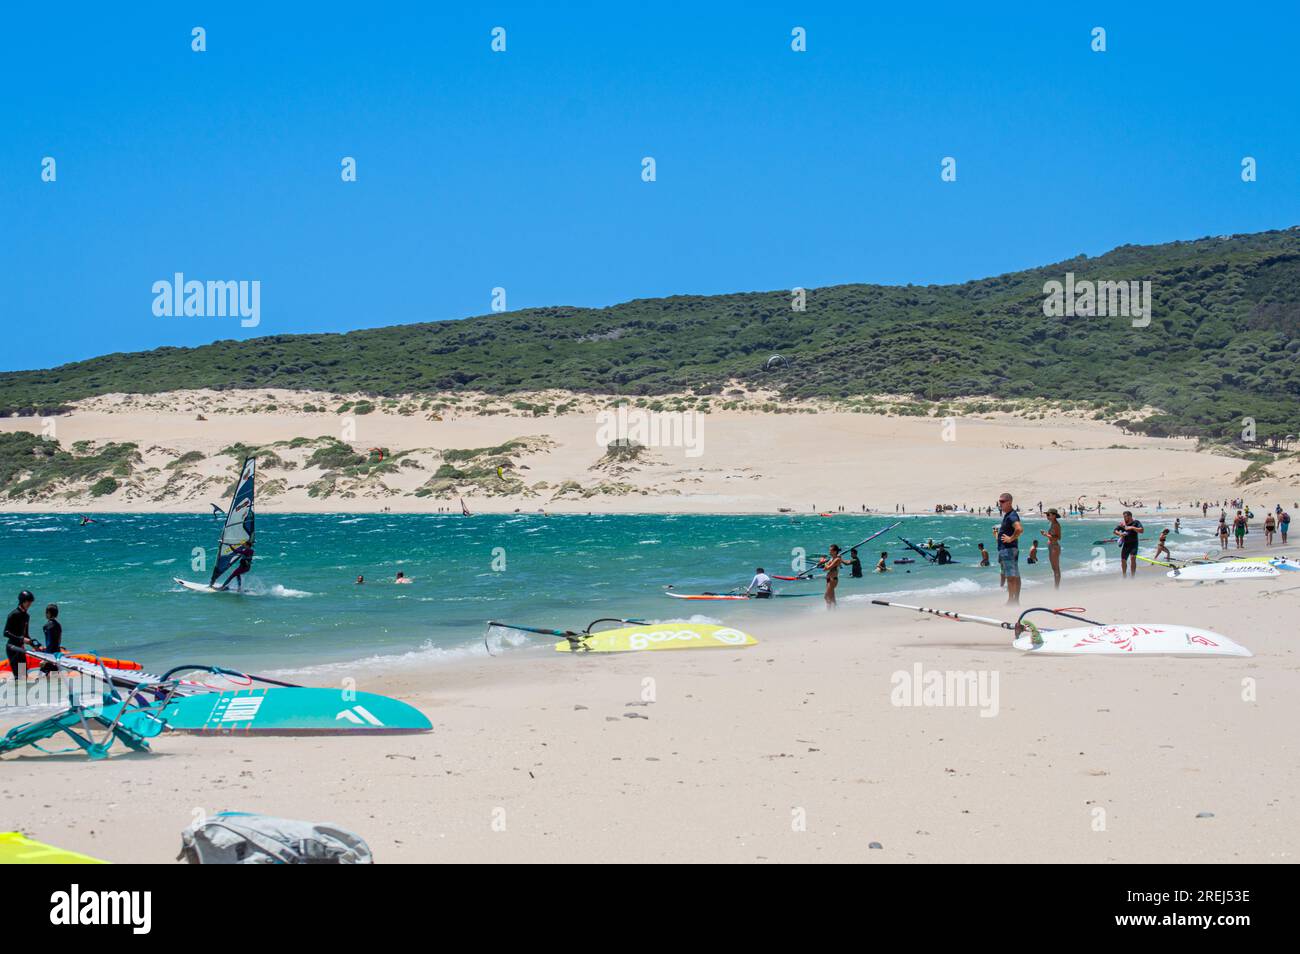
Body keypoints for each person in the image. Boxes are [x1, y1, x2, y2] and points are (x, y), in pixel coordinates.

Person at [995, 493, 1023, 605]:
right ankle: (1015, 600)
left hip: (1008, 550)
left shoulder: (1012, 515)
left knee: (1011, 576)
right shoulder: (1008, 515)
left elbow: (1019, 529)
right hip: (1008, 549)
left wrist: (1011, 539)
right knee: (1015, 575)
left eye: (1002, 502)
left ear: (1009, 502)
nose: (1000, 504)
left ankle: (1011, 601)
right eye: (999, 501)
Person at [4, 591, 38, 679]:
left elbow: (26, 634)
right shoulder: (13, 614)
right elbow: (6, 633)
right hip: (12, 648)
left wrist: (34, 646)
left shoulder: (26, 616)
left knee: (23, 676)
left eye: (31, 602)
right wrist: (21, 639)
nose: (30, 604)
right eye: (28, 601)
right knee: (18, 677)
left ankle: (22, 692)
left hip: (21, 649)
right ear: (22, 601)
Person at [1113, 510, 1144, 577]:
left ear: (1130, 516)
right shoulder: (1122, 524)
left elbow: (1142, 530)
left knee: (1133, 558)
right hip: (1126, 544)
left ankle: (1133, 576)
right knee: (1123, 560)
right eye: (1123, 517)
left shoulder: (1136, 522)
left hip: (1134, 544)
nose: (1124, 518)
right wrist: (1120, 534)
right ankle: (1124, 575)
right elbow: (1115, 531)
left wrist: (1132, 527)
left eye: (1125, 517)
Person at [1041, 508, 1062, 589]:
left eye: (1048, 515)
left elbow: (1058, 537)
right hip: (1052, 547)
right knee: (1054, 568)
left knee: (1056, 568)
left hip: (1054, 547)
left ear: (1054, 516)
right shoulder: (1052, 523)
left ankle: (1056, 587)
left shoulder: (1056, 525)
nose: (1047, 516)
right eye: (1046, 515)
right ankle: (1056, 586)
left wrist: (1046, 535)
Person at [39, 604, 62, 674]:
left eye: (46, 612)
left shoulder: (47, 626)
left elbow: (49, 642)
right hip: (57, 653)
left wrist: (45, 659)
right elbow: (59, 640)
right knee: (55, 676)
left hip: (50, 655)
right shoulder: (58, 625)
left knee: (43, 676)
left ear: (48, 613)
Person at [821, 544, 844, 609]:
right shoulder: (832, 559)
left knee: (826, 596)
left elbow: (828, 568)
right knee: (831, 597)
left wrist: (825, 563)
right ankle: (834, 610)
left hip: (832, 580)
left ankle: (829, 610)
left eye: (830, 551)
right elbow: (824, 569)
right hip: (829, 579)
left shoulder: (837, 559)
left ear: (835, 551)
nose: (829, 552)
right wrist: (824, 563)